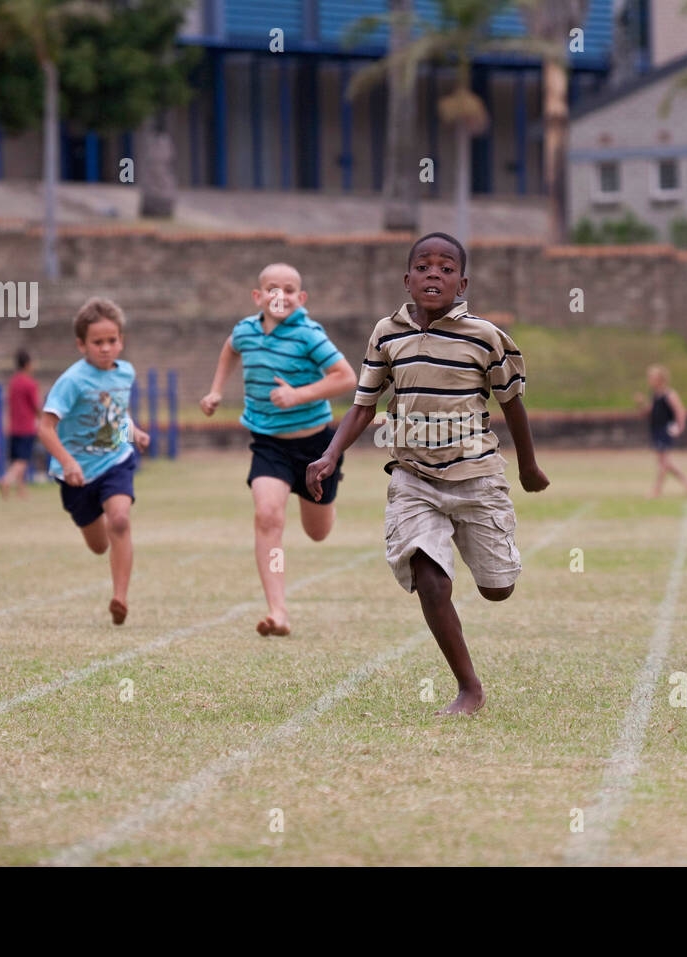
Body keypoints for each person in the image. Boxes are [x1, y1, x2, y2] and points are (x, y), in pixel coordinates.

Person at [305, 232, 550, 716]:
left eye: (443, 267)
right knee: (430, 579)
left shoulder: (484, 336)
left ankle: (475, 543)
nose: (432, 274)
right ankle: (469, 689)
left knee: (497, 590)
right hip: (413, 477)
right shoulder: (387, 333)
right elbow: (362, 406)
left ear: (462, 281)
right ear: (407, 279)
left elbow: (512, 405)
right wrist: (331, 455)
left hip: (476, 476)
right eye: (422, 266)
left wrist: (528, 465)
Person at [199, 262, 357, 636]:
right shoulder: (246, 330)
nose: (280, 295)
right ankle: (278, 611)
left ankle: (328, 496)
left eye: (289, 290)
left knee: (317, 532)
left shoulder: (309, 334)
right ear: (258, 296)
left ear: (301, 299)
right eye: (272, 288)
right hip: (268, 443)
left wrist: (297, 394)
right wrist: (216, 390)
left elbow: (346, 377)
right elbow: (229, 349)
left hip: (316, 447)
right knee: (268, 516)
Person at [38, 297, 150, 625]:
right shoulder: (72, 381)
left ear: (121, 341)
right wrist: (67, 461)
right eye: (97, 342)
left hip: (116, 461)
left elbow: (116, 413)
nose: (105, 348)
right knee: (99, 546)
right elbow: (45, 428)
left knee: (120, 520)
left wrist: (135, 432)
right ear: (81, 345)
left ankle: (120, 597)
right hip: (76, 476)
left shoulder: (125, 373)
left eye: (112, 341)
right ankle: (95, 519)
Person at [634, 365, 687, 497]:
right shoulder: (655, 395)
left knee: (663, 462)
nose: (649, 380)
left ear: (661, 379)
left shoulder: (670, 394)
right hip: (656, 430)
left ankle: (657, 490)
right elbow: (648, 412)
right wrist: (641, 403)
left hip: (666, 430)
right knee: (665, 463)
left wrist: (680, 427)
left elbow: (680, 411)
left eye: (652, 377)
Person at [0, 349, 41, 499]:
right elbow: (36, 405)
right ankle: (6, 480)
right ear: (28, 364)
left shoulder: (13, 382)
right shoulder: (30, 383)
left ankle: (21, 491)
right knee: (23, 461)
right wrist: (42, 419)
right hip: (27, 426)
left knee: (17, 459)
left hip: (14, 426)